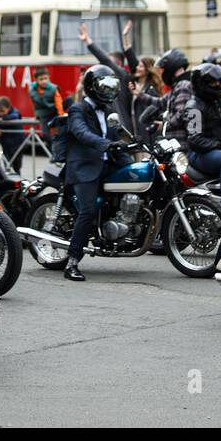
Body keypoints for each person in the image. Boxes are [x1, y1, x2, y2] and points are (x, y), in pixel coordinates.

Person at [63, 64, 124, 281]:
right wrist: (105, 143)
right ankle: (72, 261)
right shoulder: (77, 109)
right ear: (92, 87)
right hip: (84, 166)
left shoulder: (108, 111)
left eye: (111, 87)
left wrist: (134, 144)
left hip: (107, 164)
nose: (109, 91)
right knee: (88, 210)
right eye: (104, 87)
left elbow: (118, 135)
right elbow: (81, 132)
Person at [168, 62, 221, 214]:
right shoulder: (194, 106)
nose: (218, 85)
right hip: (199, 155)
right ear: (202, 84)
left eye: (219, 82)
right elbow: (195, 140)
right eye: (214, 82)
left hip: (216, 151)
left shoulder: (217, 102)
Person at [79, 20, 140, 135]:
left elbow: (104, 59)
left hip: (121, 129)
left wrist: (88, 42)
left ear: (119, 65)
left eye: (109, 65)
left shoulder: (121, 74)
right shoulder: (111, 82)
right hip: (115, 129)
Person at [139, 47, 192, 136]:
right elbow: (161, 102)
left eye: (163, 69)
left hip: (182, 143)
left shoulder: (183, 85)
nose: (162, 72)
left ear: (171, 67)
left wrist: (164, 125)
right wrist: (139, 94)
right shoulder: (178, 85)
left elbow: (181, 115)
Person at [0, 96, 26, 171]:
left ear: (9, 107)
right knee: (6, 166)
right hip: (5, 145)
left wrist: (3, 119)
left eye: (3, 111)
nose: (1, 113)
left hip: (17, 145)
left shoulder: (15, 112)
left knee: (17, 167)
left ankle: (18, 181)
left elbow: (15, 116)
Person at [28, 67, 66, 145]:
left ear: (49, 78)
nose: (44, 81)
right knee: (45, 134)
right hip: (43, 115)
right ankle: (53, 147)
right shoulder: (32, 89)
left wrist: (61, 114)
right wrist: (36, 115)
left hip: (54, 111)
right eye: (41, 79)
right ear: (36, 80)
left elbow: (58, 101)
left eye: (46, 78)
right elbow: (34, 104)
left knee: (69, 100)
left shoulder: (53, 88)